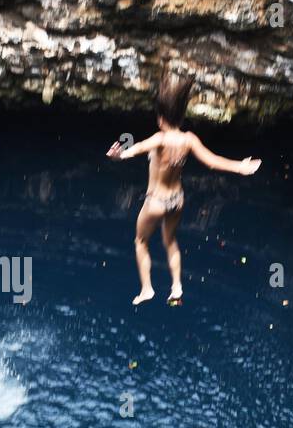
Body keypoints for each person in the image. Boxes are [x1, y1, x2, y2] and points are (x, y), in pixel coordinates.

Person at [106, 72, 262, 306]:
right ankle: (176, 287)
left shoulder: (159, 139)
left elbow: (135, 149)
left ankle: (147, 289)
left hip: (156, 201)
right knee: (170, 241)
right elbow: (212, 161)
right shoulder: (189, 139)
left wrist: (118, 156)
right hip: (177, 200)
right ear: (181, 116)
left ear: (160, 118)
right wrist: (240, 167)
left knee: (141, 242)